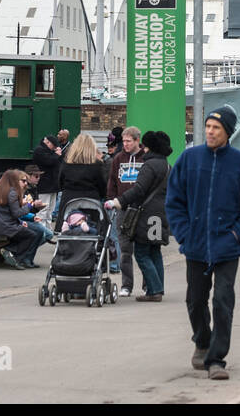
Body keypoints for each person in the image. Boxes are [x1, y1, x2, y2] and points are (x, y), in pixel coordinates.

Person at [165, 106, 240, 380]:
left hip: (227, 246)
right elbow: (174, 201)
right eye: (208, 126)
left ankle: (217, 359)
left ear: (228, 133)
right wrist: (184, 233)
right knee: (195, 300)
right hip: (195, 245)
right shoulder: (189, 159)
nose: (209, 131)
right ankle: (202, 341)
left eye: (216, 128)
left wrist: (236, 234)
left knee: (222, 300)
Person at [112, 130, 172, 301]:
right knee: (155, 251)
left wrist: (119, 201)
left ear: (150, 147)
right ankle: (158, 287)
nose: (143, 148)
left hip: (146, 214)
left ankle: (154, 291)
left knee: (142, 253)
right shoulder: (167, 166)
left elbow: (139, 189)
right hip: (161, 213)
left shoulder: (149, 166)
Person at [106, 126, 144, 293]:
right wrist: (111, 200)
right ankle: (126, 285)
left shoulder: (146, 158)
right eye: (124, 141)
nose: (126, 144)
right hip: (122, 208)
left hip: (141, 209)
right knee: (125, 250)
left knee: (143, 250)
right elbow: (112, 181)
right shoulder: (118, 158)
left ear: (137, 141)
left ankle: (147, 285)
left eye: (129, 141)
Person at [0, 169, 47, 269]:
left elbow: (6, 212)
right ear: (14, 180)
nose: (25, 183)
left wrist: (19, 222)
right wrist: (31, 205)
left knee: (27, 232)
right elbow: (16, 213)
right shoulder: (13, 193)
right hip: (4, 226)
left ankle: (6, 254)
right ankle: (14, 255)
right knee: (31, 235)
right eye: (23, 181)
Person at [54, 133, 108, 232]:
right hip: (91, 202)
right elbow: (102, 186)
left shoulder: (66, 164)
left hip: (69, 200)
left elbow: (60, 183)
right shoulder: (97, 165)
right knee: (92, 231)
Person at [32, 129, 69, 220]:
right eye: (54, 146)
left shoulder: (50, 151)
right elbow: (49, 161)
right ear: (48, 143)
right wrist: (57, 154)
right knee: (43, 210)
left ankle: (48, 230)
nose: (54, 148)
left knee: (50, 210)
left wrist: (59, 155)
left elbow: (58, 163)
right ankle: (42, 231)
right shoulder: (39, 150)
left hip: (52, 185)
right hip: (44, 184)